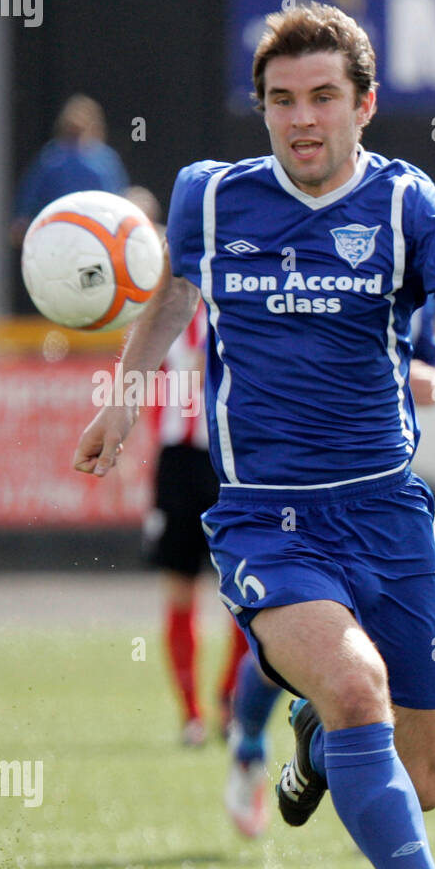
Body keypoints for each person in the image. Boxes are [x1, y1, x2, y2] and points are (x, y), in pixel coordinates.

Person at [71, 2, 435, 869]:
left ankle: (312, 741)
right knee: (352, 684)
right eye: (282, 100)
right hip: (264, 517)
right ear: (261, 109)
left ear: (363, 104)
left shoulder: (407, 203)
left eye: (323, 97)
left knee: (422, 782)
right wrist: (122, 402)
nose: (302, 118)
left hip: (385, 516)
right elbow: (168, 298)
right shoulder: (211, 197)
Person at [224, 296, 435, 839]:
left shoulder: (416, 282)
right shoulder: (286, 271)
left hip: (382, 501)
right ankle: (248, 749)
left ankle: (349, 769)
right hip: (284, 495)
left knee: (380, 668)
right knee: (293, 653)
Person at [129, 186, 250, 756]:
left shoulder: (241, 287)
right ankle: (192, 714)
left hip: (235, 461)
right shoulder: (157, 298)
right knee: (181, 591)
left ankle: (230, 704)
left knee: (248, 596)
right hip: (180, 463)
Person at [12, 95, 129, 245]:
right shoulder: (52, 157)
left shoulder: (106, 160)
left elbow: (118, 199)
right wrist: (22, 219)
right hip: (58, 234)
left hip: (97, 235)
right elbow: (30, 195)